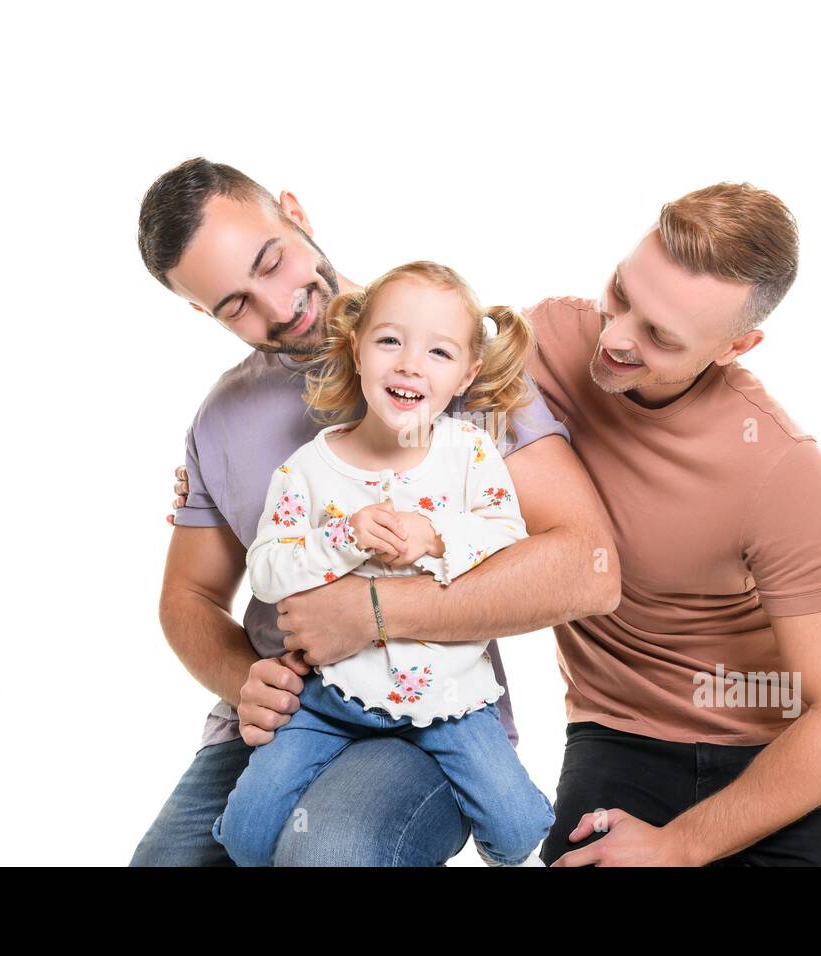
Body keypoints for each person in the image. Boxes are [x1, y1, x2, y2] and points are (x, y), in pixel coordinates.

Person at [174, 181, 821, 867]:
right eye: (620, 293)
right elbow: (421, 339)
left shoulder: (777, 466)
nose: (615, 338)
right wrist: (215, 476)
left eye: (659, 336)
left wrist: (684, 845)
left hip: (773, 753)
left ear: (735, 347)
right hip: (618, 734)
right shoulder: (547, 341)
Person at [130, 158, 620, 866]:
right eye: (235, 304)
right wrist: (245, 681)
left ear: (296, 212)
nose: (279, 307)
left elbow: (587, 568)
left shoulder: (447, 355)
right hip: (289, 719)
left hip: (424, 715)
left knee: (325, 850)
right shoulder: (222, 419)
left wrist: (375, 611)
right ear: (203, 313)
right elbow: (189, 595)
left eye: (271, 261)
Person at [212, 262, 555, 867]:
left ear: (467, 374)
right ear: (357, 347)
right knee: (245, 836)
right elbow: (266, 571)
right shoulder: (307, 469)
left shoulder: (470, 452)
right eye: (390, 340)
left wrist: (436, 536)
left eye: (439, 352)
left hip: (449, 699)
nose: (410, 365)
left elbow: (509, 540)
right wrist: (344, 537)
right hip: (328, 697)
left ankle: (429, 807)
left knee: (518, 830)